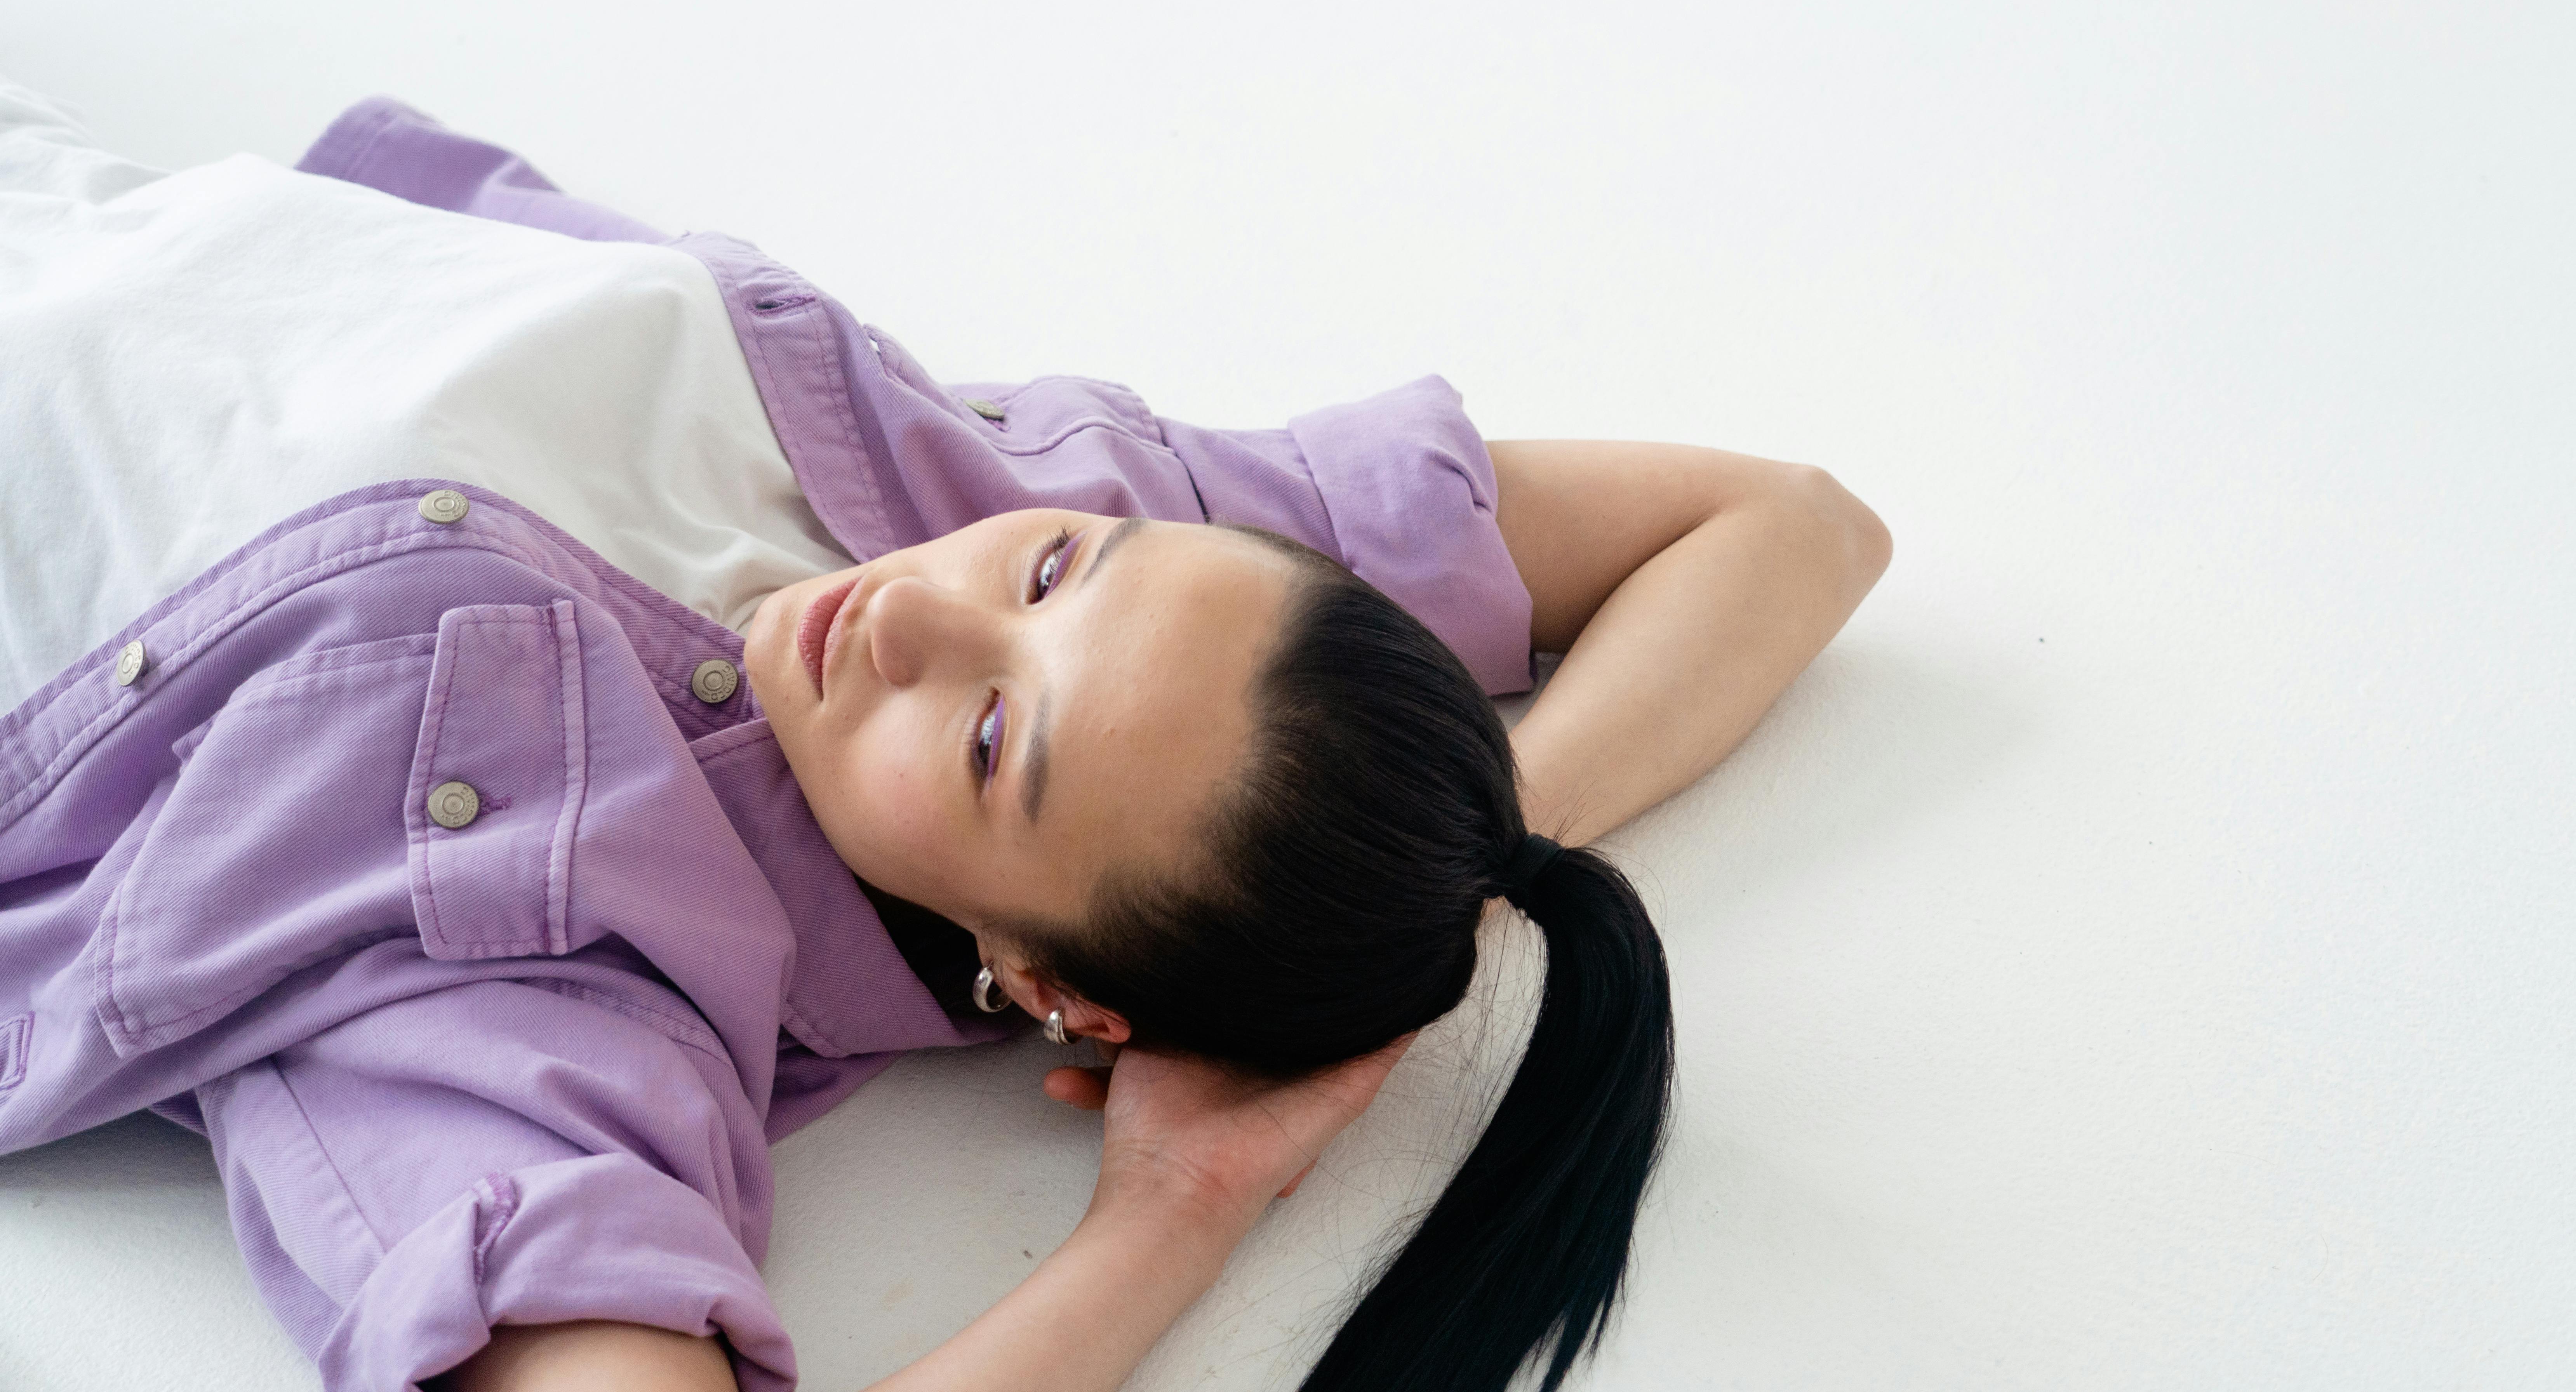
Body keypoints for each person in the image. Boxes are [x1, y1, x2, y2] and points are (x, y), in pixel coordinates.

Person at [0, 80, 1891, 1392]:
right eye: (1056, 573)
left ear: (1046, 985)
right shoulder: (1116, 559)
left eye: (990, 745)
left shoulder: (549, 978)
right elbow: (1788, 524)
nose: (913, 609)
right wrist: (1462, 857)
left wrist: (1170, 1215)